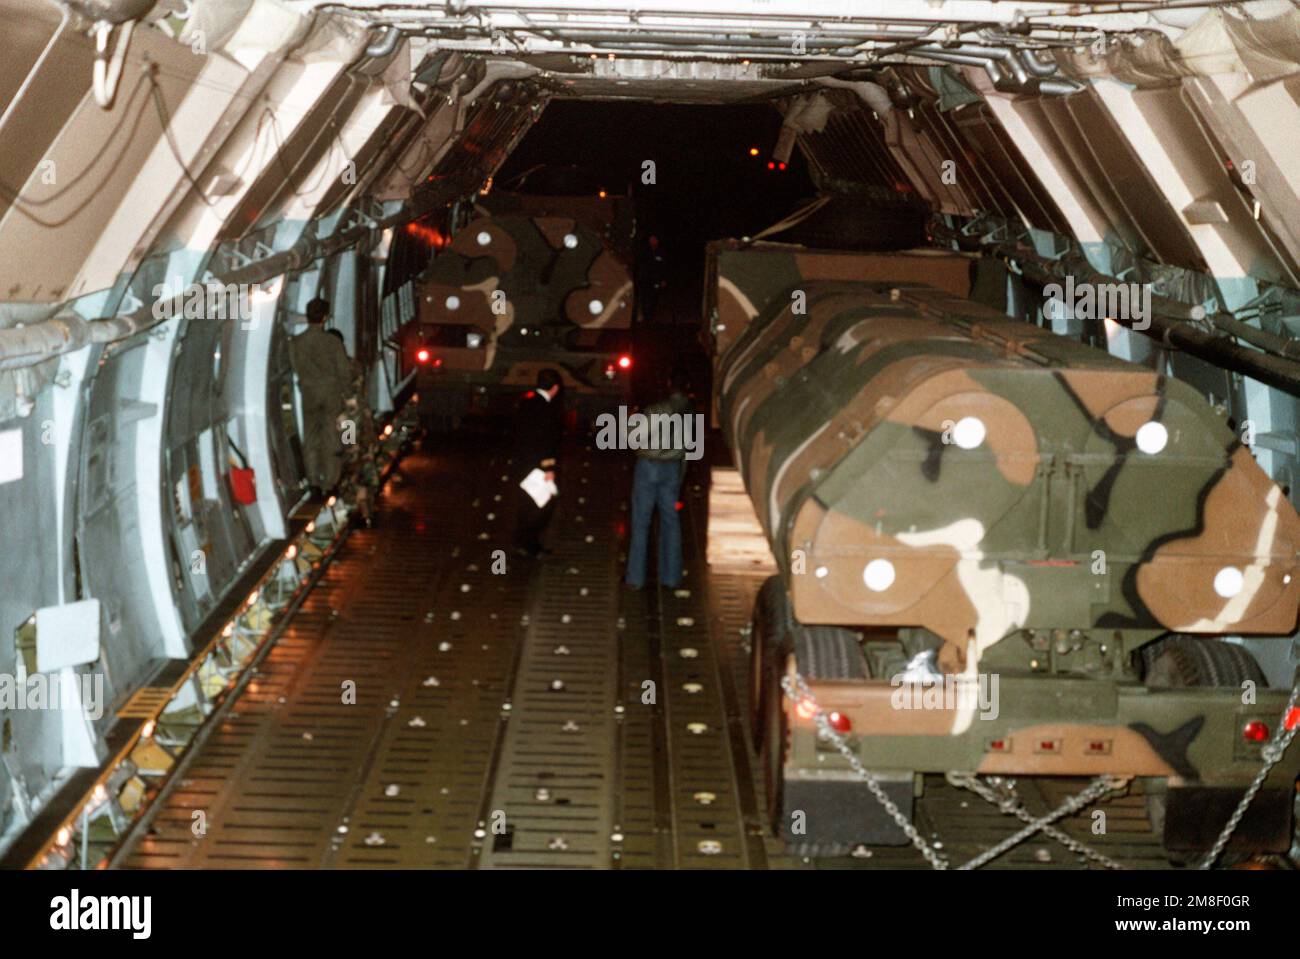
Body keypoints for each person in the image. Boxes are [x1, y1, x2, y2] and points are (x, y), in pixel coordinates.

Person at [624, 368, 693, 590]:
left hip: (649, 468)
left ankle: (635, 578)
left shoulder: (657, 409)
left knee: (641, 523)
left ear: (669, 384)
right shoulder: (690, 411)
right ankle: (671, 577)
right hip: (673, 469)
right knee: (671, 522)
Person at [290, 296, 352, 495]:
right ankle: (330, 483)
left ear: (307, 317)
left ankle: (314, 481)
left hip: (308, 393)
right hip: (331, 393)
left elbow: (294, 367)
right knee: (332, 436)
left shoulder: (296, 343)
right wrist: (349, 396)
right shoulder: (333, 342)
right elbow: (344, 371)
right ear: (325, 317)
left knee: (311, 437)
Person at [513, 368, 564, 557]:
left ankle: (525, 542)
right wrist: (548, 467)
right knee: (542, 506)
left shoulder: (527, 401)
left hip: (523, 462)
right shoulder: (546, 408)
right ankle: (527, 543)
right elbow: (545, 440)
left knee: (528, 504)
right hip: (537, 465)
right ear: (555, 388)